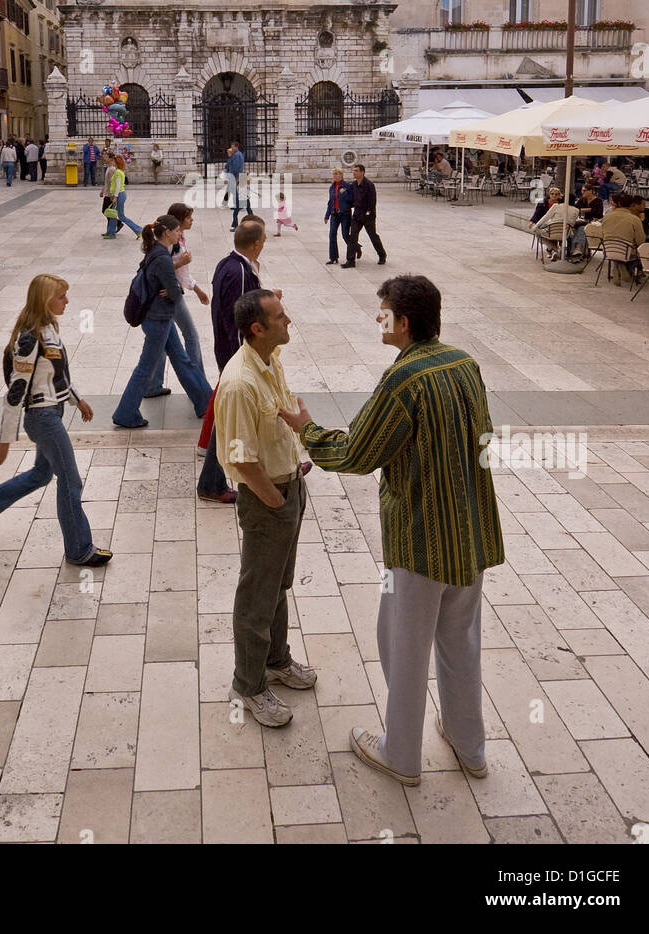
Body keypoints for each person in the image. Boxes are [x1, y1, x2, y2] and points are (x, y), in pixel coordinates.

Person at [279, 274, 504, 782]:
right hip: (469, 532)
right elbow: (484, 436)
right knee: (461, 642)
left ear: (403, 322)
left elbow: (356, 451)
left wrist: (306, 429)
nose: (378, 319)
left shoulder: (404, 378)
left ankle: (401, 754)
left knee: (403, 645)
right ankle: (471, 747)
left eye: (383, 313)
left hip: (421, 540)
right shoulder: (464, 364)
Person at [0, 273, 112, 568]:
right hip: (42, 418)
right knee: (71, 481)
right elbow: (16, 391)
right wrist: (5, 441)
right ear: (45, 299)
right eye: (61, 296)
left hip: (53, 411)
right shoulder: (29, 338)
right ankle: (79, 549)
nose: (67, 301)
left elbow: (55, 375)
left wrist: (76, 399)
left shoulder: (49, 329)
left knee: (41, 475)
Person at [218, 289, 314, 728]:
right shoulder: (239, 383)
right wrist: (273, 499)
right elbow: (238, 455)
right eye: (279, 316)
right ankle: (249, 684)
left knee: (278, 583)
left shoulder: (270, 360)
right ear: (257, 328)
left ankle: (276, 660)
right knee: (257, 593)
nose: (288, 319)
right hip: (268, 497)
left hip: (289, 485)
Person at [197, 218, 274, 505]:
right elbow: (239, 319)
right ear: (256, 244)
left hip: (233, 353)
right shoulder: (240, 271)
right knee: (230, 418)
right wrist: (242, 359)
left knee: (257, 409)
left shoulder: (229, 264)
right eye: (263, 240)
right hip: (236, 355)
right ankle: (211, 483)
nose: (264, 244)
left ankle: (278, 465)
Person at [112, 215, 213, 429]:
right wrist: (175, 290)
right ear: (167, 232)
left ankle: (206, 402)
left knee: (181, 359)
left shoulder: (156, 251)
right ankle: (125, 413)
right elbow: (175, 293)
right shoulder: (162, 258)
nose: (180, 234)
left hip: (159, 317)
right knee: (145, 367)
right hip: (157, 319)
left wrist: (173, 290)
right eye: (177, 231)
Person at [144, 202, 210, 397]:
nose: (192, 220)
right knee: (191, 335)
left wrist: (197, 289)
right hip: (171, 295)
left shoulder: (177, 239)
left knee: (163, 340)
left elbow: (181, 273)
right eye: (189, 217)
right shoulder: (172, 244)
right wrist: (182, 262)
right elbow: (160, 267)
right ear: (179, 221)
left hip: (172, 292)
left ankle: (153, 385)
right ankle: (199, 384)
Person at [342, 163, 387, 268]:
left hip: (368, 217)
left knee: (373, 236)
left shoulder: (369, 185)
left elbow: (372, 202)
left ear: (362, 172)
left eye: (356, 171)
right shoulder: (353, 185)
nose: (354, 172)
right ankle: (350, 260)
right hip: (357, 215)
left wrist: (368, 213)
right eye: (353, 171)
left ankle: (382, 255)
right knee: (353, 237)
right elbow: (351, 199)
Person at [601, 192, 646, 285]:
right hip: (627, 252)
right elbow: (640, 240)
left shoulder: (606, 216)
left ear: (619, 204)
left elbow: (602, 233)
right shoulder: (634, 219)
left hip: (608, 250)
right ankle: (624, 267)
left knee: (619, 250)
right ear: (632, 205)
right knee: (639, 252)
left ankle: (618, 265)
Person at [103, 155, 141, 238]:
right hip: (118, 195)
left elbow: (118, 186)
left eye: (113, 161)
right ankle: (111, 233)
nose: (112, 162)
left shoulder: (118, 172)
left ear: (116, 163)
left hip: (119, 195)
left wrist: (115, 197)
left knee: (121, 216)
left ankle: (138, 230)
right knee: (113, 215)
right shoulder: (118, 171)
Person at [324, 168, 352, 265]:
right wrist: (327, 216)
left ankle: (355, 248)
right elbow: (330, 202)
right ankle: (333, 257)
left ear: (342, 175)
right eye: (335, 174)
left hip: (345, 214)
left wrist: (344, 193)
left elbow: (351, 201)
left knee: (345, 235)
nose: (336, 175)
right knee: (332, 235)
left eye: (338, 174)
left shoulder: (348, 186)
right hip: (334, 214)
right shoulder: (332, 187)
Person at [226, 140, 253, 231]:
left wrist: (234, 178)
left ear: (236, 147)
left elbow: (235, 167)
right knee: (247, 204)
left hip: (238, 178)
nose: (231, 148)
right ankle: (253, 220)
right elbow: (229, 165)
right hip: (240, 179)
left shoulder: (237, 155)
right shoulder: (236, 154)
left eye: (232, 146)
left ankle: (235, 225)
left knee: (238, 206)